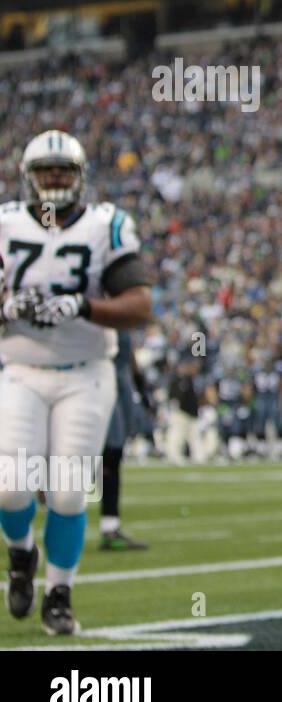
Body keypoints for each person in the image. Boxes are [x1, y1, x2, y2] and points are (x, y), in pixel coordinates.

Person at [0, 130, 153, 635]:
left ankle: (59, 592)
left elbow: (139, 304)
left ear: (80, 176)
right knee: (8, 485)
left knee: (67, 494)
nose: (55, 180)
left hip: (86, 374)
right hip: (20, 370)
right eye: (47, 172)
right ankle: (22, 554)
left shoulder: (107, 225)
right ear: (29, 177)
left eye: (63, 171)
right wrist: (5, 308)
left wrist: (84, 305)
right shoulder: (4, 223)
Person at [99, 329, 149, 550]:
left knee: (113, 454)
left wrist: (138, 380)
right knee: (105, 454)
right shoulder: (98, 302)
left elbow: (128, 351)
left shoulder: (121, 306)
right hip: (96, 381)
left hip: (119, 382)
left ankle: (110, 526)